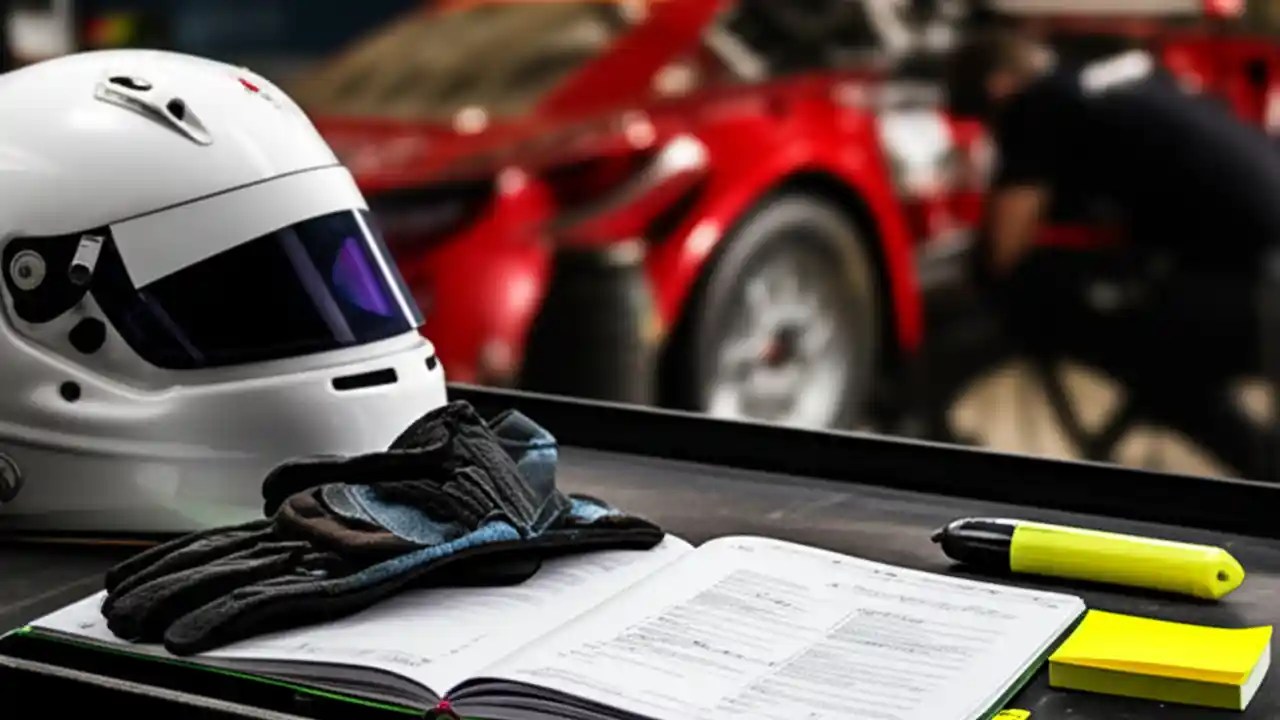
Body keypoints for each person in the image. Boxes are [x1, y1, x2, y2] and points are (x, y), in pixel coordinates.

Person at [946, 28, 1280, 477]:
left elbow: (1004, 251)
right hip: (1250, 261)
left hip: (1260, 286)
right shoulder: (1126, 71)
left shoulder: (1038, 102)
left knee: (1152, 363)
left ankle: (1261, 475)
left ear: (997, 88)